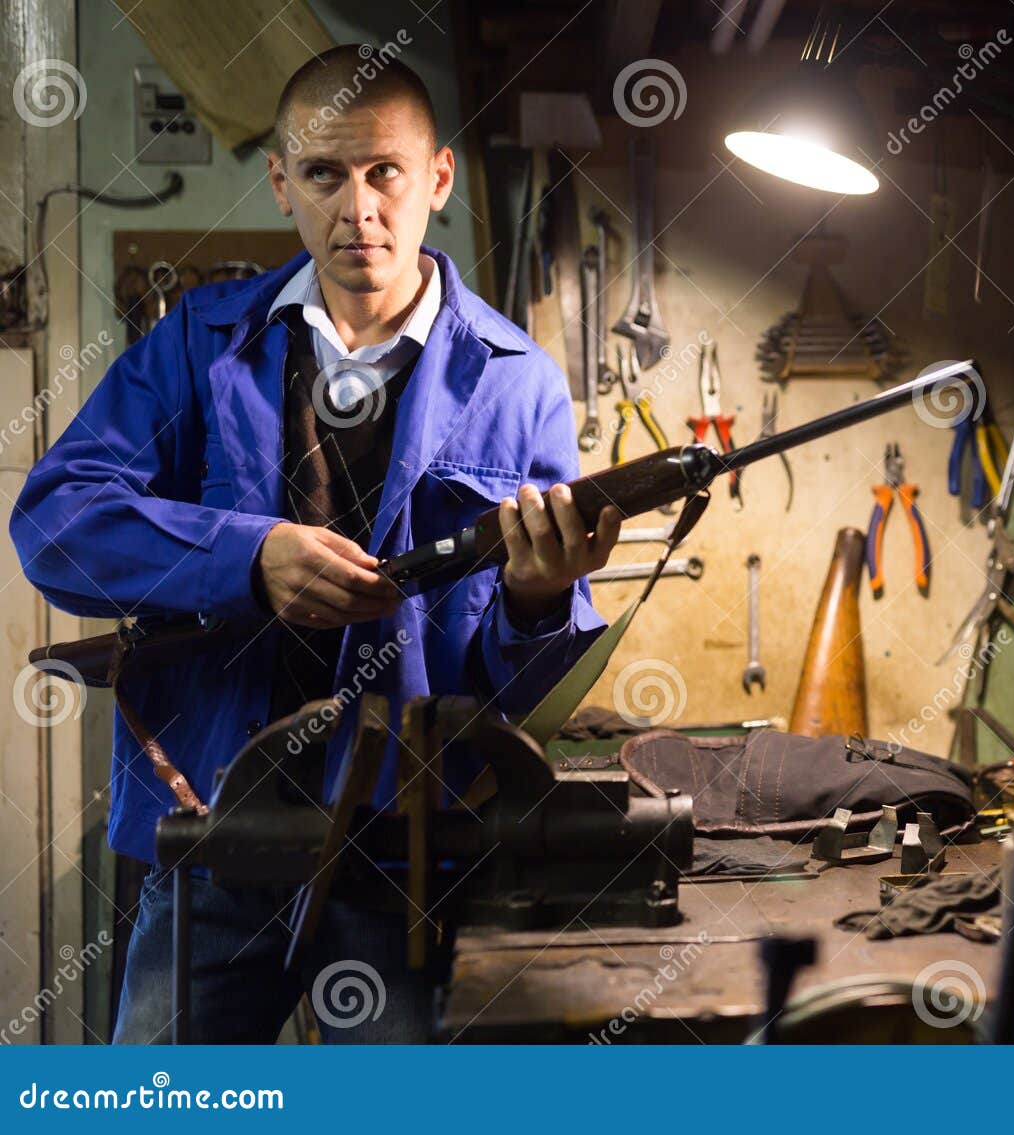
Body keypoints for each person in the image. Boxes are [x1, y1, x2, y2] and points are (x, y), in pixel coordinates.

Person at [9, 45, 621, 1043]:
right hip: (217, 832)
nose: (358, 207)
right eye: (326, 174)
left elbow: (521, 693)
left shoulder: (518, 383)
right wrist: (244, 559)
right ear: (282, 182)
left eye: (385, 172)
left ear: (437, 179)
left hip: (408, 853)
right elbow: (54, 523)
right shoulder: (200, 344)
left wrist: (539, 599)